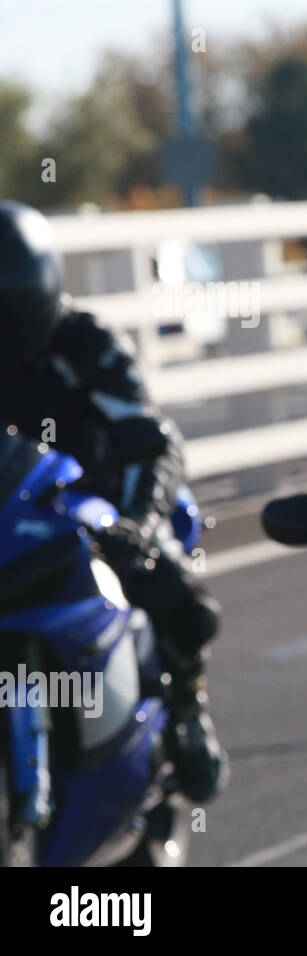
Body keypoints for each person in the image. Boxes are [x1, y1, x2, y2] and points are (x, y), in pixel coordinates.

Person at [0, 200, 227, 802]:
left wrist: (141, 521)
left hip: (89, 508)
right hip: (8, 518)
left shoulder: (85, 342)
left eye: (9, 307)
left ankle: (185, 703)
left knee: (173, 583)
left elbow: (151, 437)